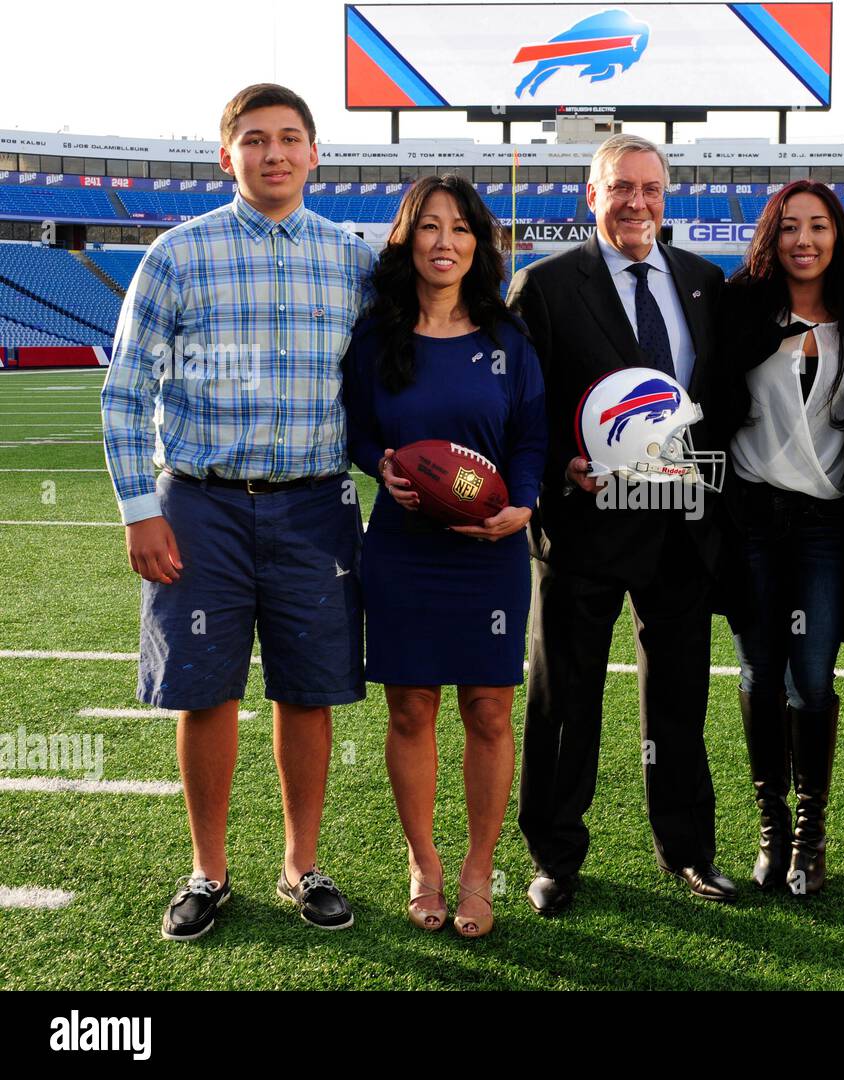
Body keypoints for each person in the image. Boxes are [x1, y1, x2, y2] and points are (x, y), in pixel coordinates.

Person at [100, 84, 377, 940]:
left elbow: (390, 381)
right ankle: (208, 871)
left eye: (291, 138)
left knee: (310, 691)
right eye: (255, 140)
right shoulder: (178, 255)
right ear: (227, 157)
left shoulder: (354, 259)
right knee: (204, 690)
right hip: (201, 504)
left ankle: (301, 863)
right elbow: (124, 391)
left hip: (315, 504)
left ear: (315, 153)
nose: (275, 154)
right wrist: (139, 508)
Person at [506, 133, 735, 913]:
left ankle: (689, 850)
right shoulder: (544, 284)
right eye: (621, 188)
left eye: (651, 188)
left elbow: (721, 404)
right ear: (591, 195)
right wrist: (551, 476)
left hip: (679, 525)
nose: (638, 203)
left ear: (665, 196)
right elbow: (518, 406)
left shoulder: (704, 282)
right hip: (584, 524)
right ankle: (555, 854)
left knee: (680, 695)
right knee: (564, 697)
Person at [343, 175, 546, 939]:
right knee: (410, 707)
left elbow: (531, 436)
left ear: (479, 243)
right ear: (407, 239)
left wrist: (519, 503)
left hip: (488, 548)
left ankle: (477, 870)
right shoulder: (376, 335)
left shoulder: (508, 340)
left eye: (460, 228)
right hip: (403, 547)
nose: (444, 241)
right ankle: (423, 862)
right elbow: (358, 428)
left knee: (490, 709)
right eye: (428, 226)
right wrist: (379, 463)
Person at [717, 180, 844, 895]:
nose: (804, 240)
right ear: (771, 237)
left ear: (838, 236)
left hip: (826, 526)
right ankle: (771, 828)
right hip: (753, 518)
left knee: (810, 679)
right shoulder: (740, 307)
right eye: (789, 227)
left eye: (818, 226)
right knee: (758, 671)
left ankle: (810, 836)